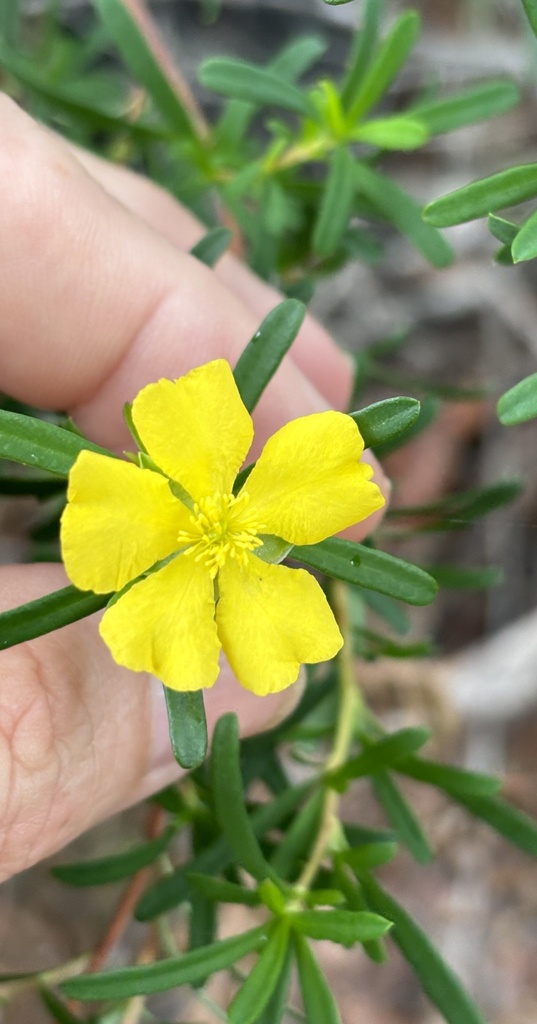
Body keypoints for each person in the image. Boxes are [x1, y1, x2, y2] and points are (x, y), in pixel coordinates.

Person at [0, 94, 387, 882]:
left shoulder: (264, 522)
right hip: (153, 536)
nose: (222, 526)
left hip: (218, 579)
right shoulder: (131, 497)